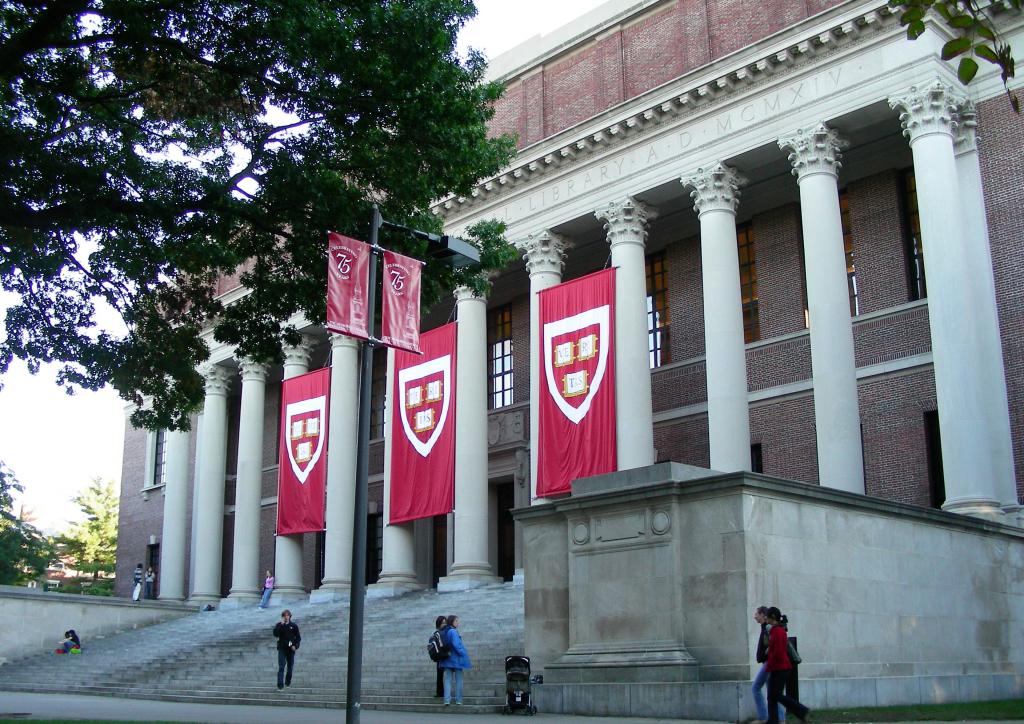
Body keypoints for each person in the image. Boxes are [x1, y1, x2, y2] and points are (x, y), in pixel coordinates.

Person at [764, 607, 809, 724]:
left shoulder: (778, 632)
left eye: (767, 616)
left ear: (772, 617)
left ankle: (801, 710)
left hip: (780, 668)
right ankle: (773, 720)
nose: (765, 618)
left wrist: (769, 666)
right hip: (778, 667)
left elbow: (777, 652)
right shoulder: (775, 630)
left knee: (775, 695)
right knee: (772, 696)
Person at [751, 606, 784, 723]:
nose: (755, 616)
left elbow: (773, 644)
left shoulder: (768, 628)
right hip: (767, 662)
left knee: (755, 688)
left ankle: (763, 717)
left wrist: (767, 652)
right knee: (773, 692)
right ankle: (780, 719)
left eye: (757, 613)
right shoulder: (764, 627)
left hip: (769, 663)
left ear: (763, 615)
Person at [439, 614, 472, 706]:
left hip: (447, 659)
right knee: (459, 680)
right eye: (456, 621)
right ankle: (458, 700)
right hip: (456, 659)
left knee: (448, 680)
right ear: (452, 621)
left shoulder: (446, 631)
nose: (458, 623)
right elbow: (457, 645)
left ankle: (447, 700)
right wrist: (463, 653)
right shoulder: (453, 631)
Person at [273, 609, 301, 690]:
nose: (286, 617)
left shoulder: (294, 626)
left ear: (290, 616)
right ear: (282, 617)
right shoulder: (279, 625)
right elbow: (275, 634)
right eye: (284, 615)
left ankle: (287, 682)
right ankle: (280, 684)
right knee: (281, 666)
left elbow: (298, 638)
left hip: (291, 648)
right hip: (282, 648)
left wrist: (295, 646)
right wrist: (281, 625)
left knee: (290, 667)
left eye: (287, 615)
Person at [433, 615, 448, 697]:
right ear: (438, 624)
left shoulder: (448, 632)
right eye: (442, 623)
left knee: (448, 674)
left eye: (445, 623)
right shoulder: (437, 633)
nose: (444, 624)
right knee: (439, 675)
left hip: (447, 655)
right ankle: (439, 692)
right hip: (441, 656)